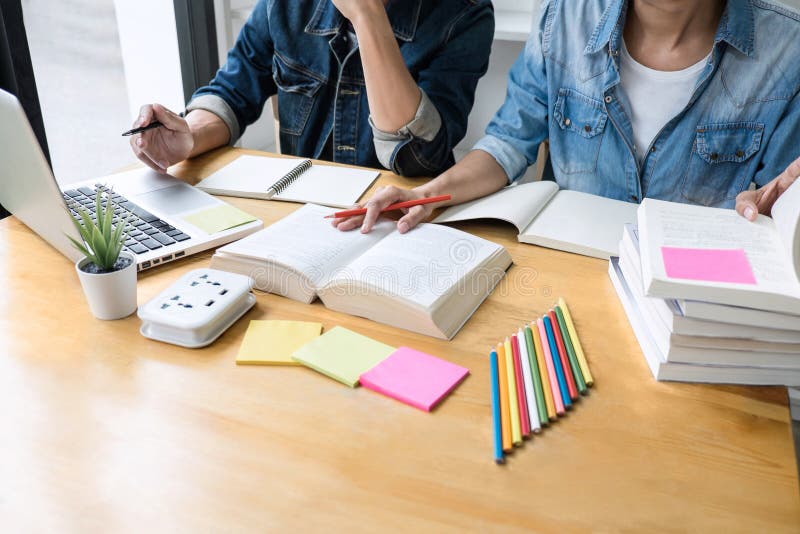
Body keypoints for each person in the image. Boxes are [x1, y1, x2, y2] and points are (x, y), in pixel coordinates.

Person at [334, 0, 800, 235]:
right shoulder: (564, 16)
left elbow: (768, 212)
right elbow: (509, 142)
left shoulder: (787, 52)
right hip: (573, 273)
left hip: (695, 302)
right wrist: (430, 193)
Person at [130, 0, 494, 177]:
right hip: (303, 218)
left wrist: (367, 17)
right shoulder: (286, 4)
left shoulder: (464, 14)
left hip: (402, 222)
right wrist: (189, 136)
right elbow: (232, 92)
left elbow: (417, 158)